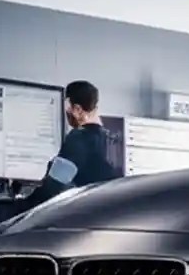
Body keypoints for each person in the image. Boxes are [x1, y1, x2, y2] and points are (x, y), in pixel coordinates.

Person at [20, 80, 120, 209]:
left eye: (68, 108)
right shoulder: (109, 139)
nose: (66, 113)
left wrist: (20, 206)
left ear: (77, 109)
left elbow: (53, 187)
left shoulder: (78, 138)